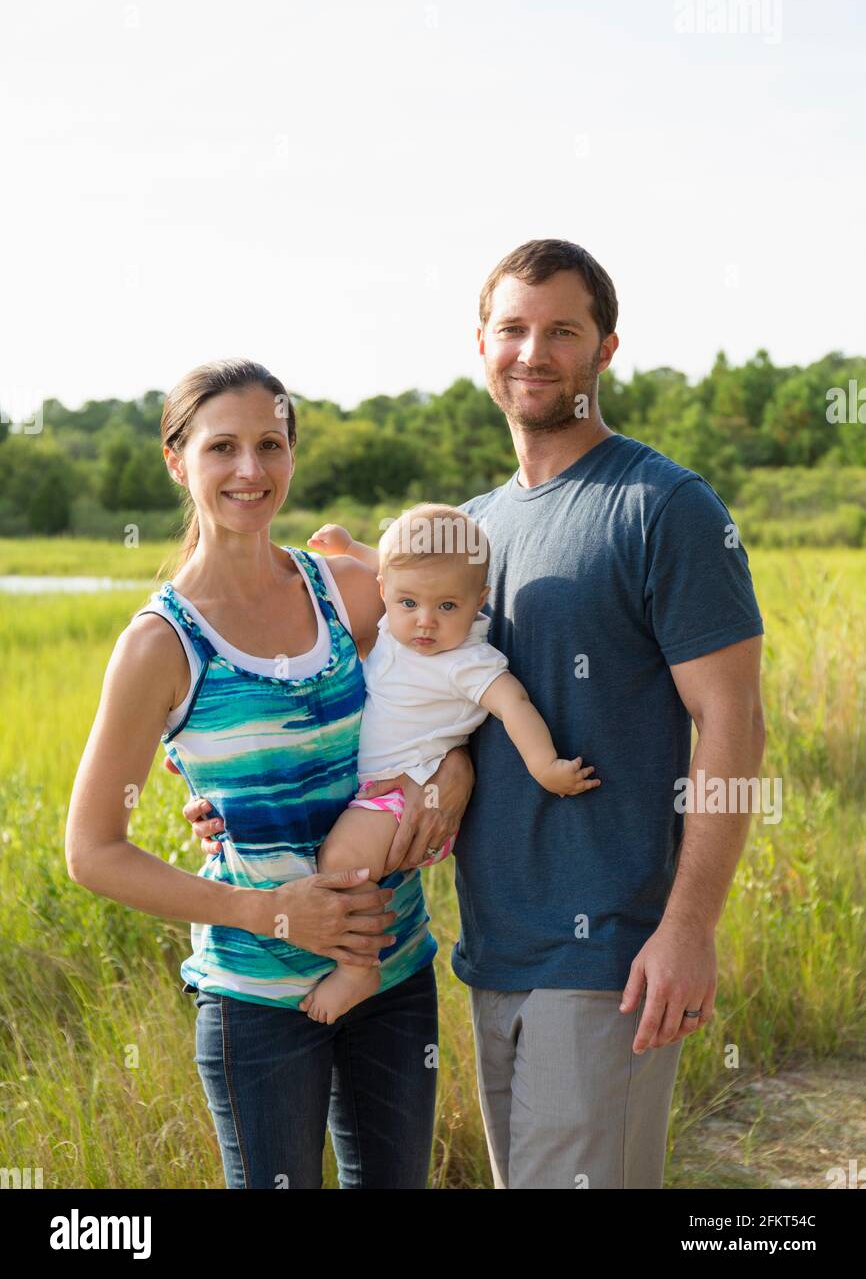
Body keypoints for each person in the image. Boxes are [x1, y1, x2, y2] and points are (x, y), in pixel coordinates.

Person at [180, 237, 765, 1190]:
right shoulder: (471, 532)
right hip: (489, 948)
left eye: (562, 331)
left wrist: (690, 926)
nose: (534, 352)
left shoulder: (663, 506)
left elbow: (734, 723)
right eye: (513, 329)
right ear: (481, 346)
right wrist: (235, 797)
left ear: (606, 349)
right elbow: (411, 704)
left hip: (609, 951)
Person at [65, 357, 474, 1190]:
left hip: (393, 972)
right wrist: (272, 912)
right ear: (178, 461)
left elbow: (451, 690)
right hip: (257, 996)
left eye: (270, 444)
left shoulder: (353, 592)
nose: (250, 470)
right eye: (223, 448)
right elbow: (92, 850)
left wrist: (454, 773)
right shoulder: (160, 645)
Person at [298, 504, 601, 1024]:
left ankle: (358, 966)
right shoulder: (398, 624)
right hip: (371, 787)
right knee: (335, 860)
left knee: (341, 864)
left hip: (401, 795)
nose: (425, 621)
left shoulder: (467, 663)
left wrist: (546, 766)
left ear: (478, 603)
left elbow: (515, 706)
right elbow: (395, 570)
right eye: (409, 603)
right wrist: (350, 549)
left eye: (446, 607)